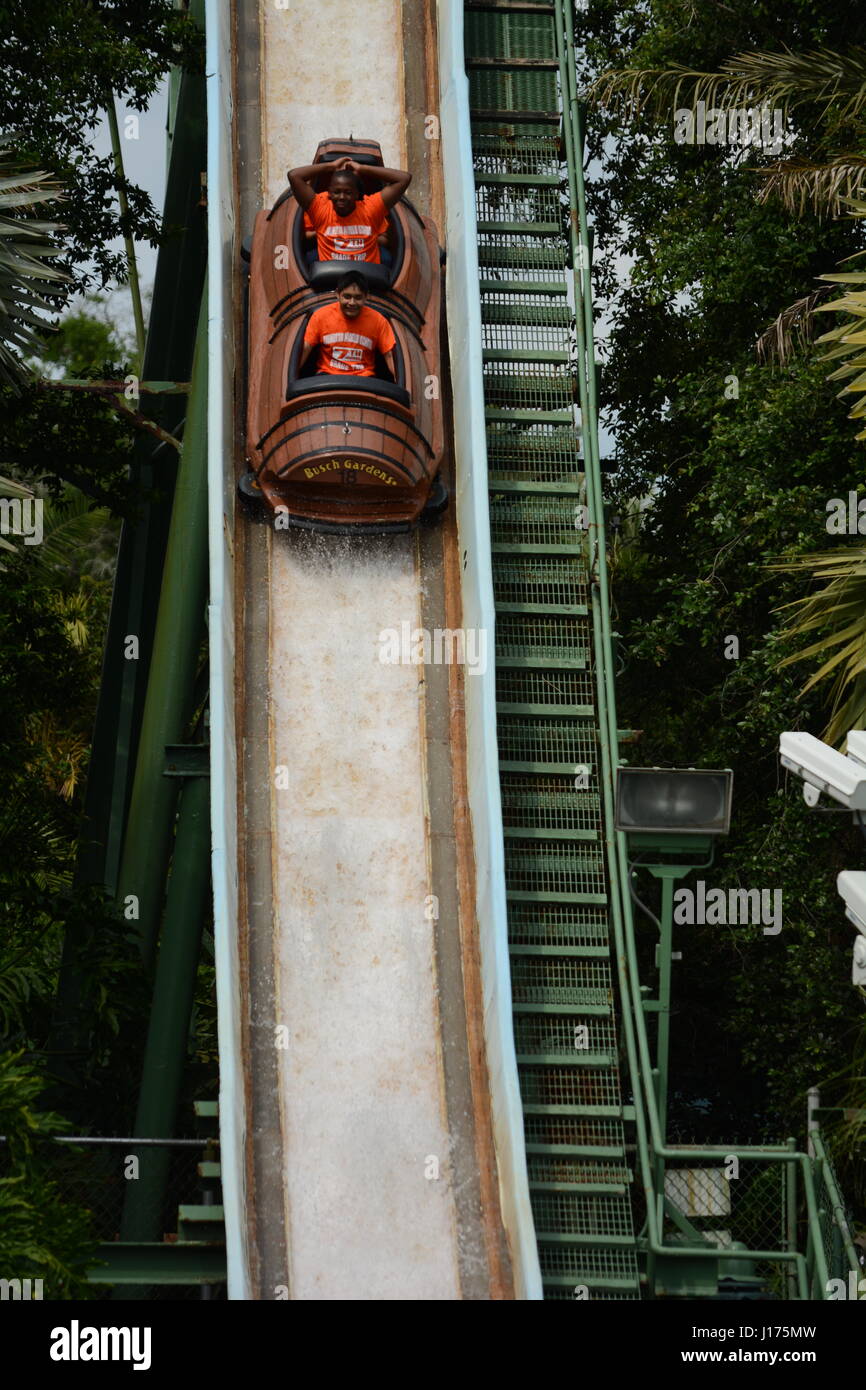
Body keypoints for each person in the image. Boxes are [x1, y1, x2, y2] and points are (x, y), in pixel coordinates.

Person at [288, 155, 411, 263]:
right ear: (329, 193)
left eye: (348, 192)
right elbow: (294, 176)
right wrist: (331, 166)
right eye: (336, 192)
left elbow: (404, 178)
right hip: (330, 278)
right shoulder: (320, 208)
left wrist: (362, 168)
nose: (342, 197)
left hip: (367, 278)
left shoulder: (371, 208)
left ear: (357, 194)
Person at [298, 270, 396, 379]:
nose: (352, 303)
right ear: (338, 294)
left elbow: (390, 356)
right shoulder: (320, 316)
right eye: (347, 297)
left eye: (358, 297)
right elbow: (305, 349)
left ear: (366, 296)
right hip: (327, 377)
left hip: (365, 379)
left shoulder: (379, 321)